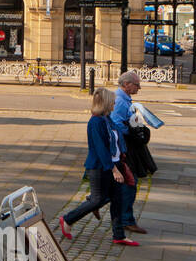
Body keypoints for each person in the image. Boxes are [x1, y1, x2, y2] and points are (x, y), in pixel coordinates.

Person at [59, 88, 136, 246]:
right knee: (98, 199)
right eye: (112, 101)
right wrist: (114, 170)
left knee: (117, 200)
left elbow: (116, 138)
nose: (115, 103)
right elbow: (100, 148)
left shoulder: (107, 119)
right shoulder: (96, 121)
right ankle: (67, 219)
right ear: (106, 102)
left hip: (113, 164)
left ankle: (119, 235)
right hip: (100, 167)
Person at [111, 70, 147, 235]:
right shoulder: (120, 101)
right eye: (136, 85)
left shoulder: (124, 100)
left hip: (126, 147)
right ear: (126, 85)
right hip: (125, 148)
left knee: (126, 182)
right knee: (131, 182)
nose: (139, 88)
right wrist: (132, 129)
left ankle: (95, 201)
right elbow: (116, 124)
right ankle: (126, 220)